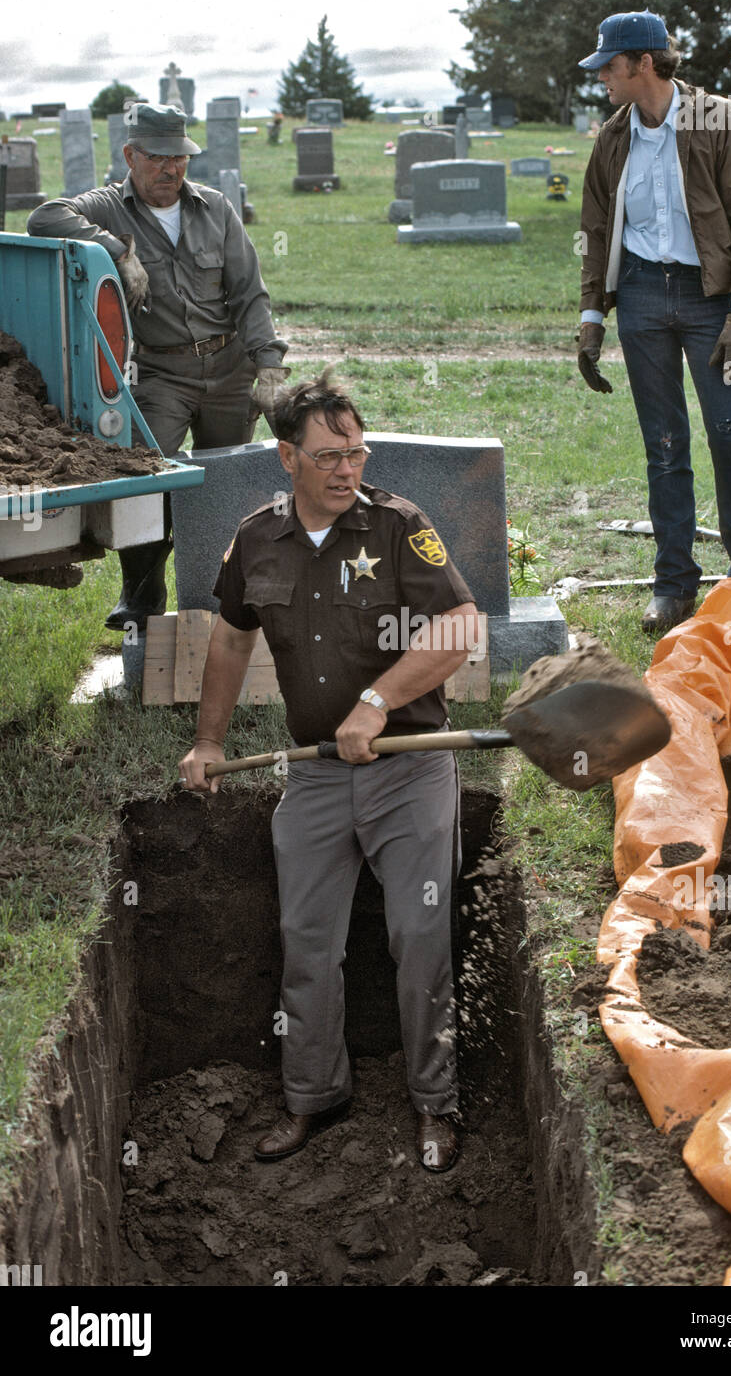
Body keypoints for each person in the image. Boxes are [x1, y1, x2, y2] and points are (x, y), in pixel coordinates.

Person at [179, 372, 478, 1172]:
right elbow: (232, 638)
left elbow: (459, 625)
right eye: (328, 457)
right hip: (314, 776)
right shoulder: (255, 542)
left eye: (356, 451)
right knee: (306, 942)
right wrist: (209, 741)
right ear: (286, 457)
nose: (347, 470)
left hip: (410, 769)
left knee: (418, 937)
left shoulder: (397, 527)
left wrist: (377, 701)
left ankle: (435, 1105)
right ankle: (314, 1096)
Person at [27, 103, 287, 630]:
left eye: (180, 158)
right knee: (147, 477)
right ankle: (141, 597)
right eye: (159, 158)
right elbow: (42, 218)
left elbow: (249, 295)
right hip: (159, 374)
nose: (171, 170)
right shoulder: (105, 206)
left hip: (229, 367)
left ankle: (230, 596)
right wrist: (115, 250)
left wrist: (270, 367)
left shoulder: (215, 208)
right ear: (131, 155)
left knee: (229, 479)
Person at [575, 10, 731, 633]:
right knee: (663, 447)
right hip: (640, 297)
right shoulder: (612, 137)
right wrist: (592, 315)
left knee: (729, 437)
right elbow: (597, 228)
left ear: (643, 63)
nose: (601, 78)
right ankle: (674, 586)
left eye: (609, 66)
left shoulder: (718, 119)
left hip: (708, 299)